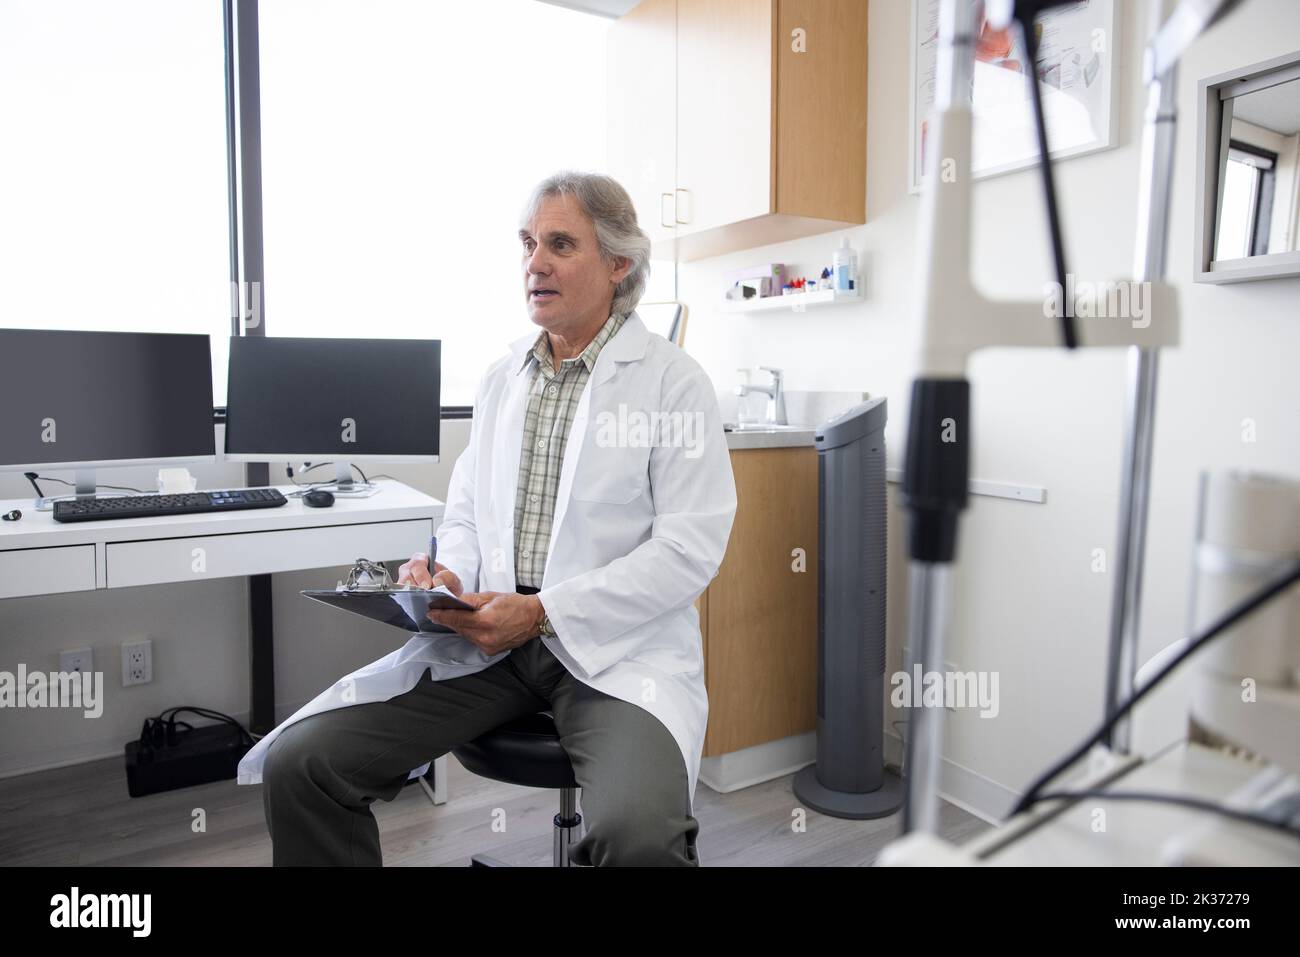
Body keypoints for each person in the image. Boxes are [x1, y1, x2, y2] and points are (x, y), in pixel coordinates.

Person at [238, 170, 737, 866]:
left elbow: (688, 551)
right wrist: (449, 571)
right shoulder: (505, 379)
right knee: (304, 764)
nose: (535, 262)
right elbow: (469, 512)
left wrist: (541, 612)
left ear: (619, 263)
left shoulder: (674, 384)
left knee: (639, 836)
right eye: (529, 243)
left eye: (560, 243)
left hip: (617, 652)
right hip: (491, 643)